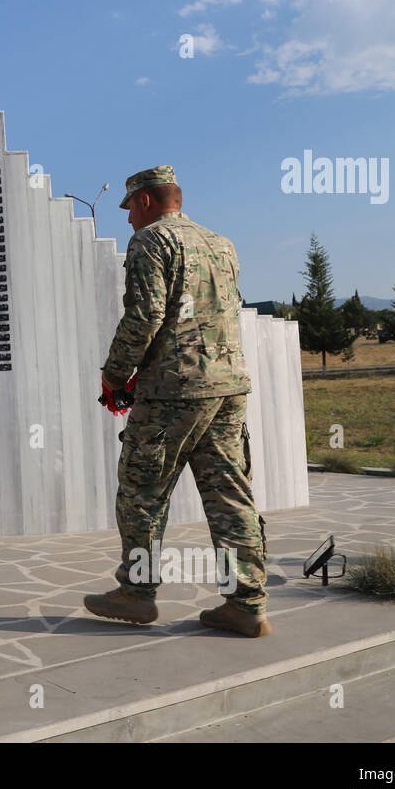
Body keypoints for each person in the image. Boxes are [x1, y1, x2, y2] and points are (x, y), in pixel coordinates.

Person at [87, 165, 271, 637]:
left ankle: (136, 593)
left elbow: (145, 316)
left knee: (141, 493)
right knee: (230, 494)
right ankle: (246, 603)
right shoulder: (221, 244)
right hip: (229, 387)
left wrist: (114, 375)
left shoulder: (152, 242)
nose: (128, 219)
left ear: (146, 201)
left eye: (130, 209)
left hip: (174, 390)